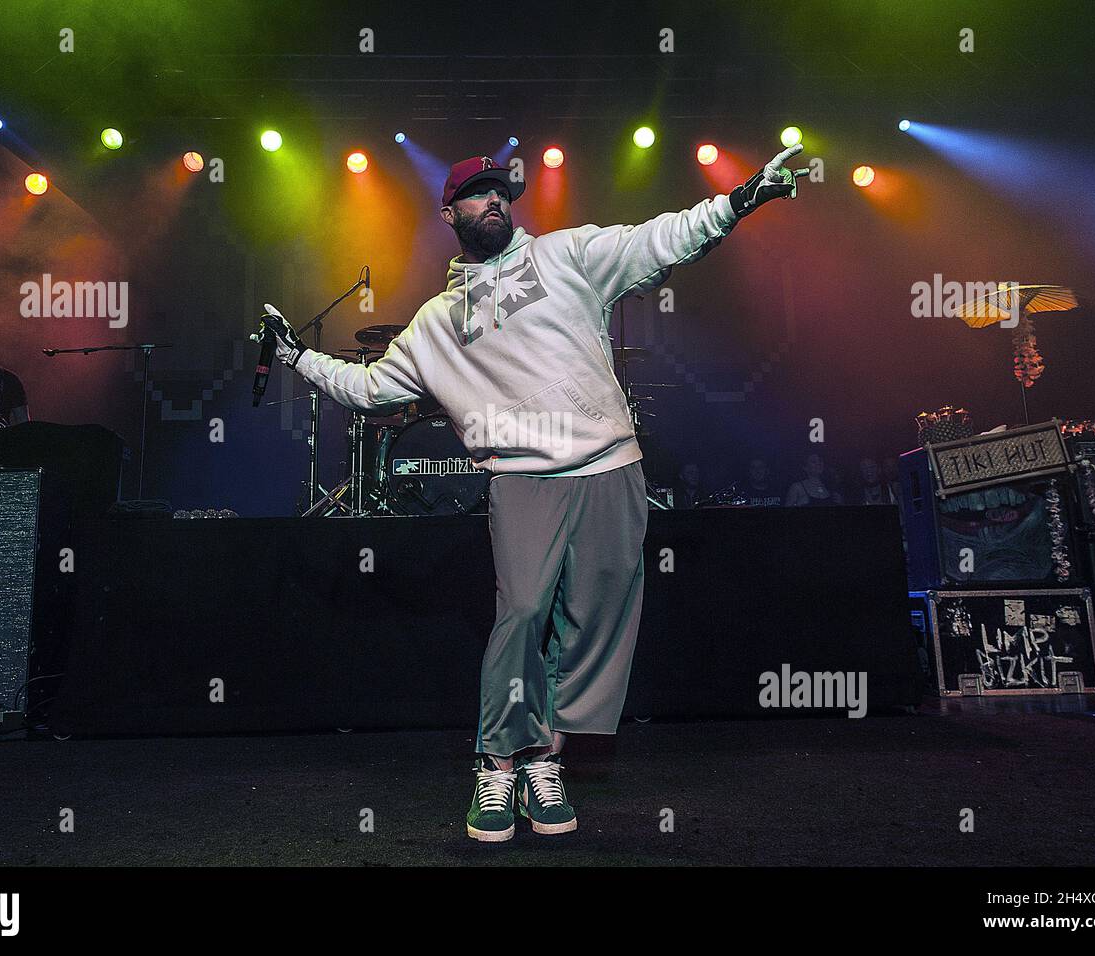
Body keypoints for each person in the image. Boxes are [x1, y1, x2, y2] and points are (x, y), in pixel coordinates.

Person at [270, 146, 808, 842]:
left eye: (501, 192)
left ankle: (544, 761)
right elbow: (372, 390)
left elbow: (662, 236)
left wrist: (740, 200)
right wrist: (296, 356)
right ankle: (495, 766)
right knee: (522, 614)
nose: (493, 201)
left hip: (611, 466)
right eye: (477, 194)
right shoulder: (437, 320)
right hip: (522, 477)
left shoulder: (569, 256)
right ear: (449, 212)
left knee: (596, 622)